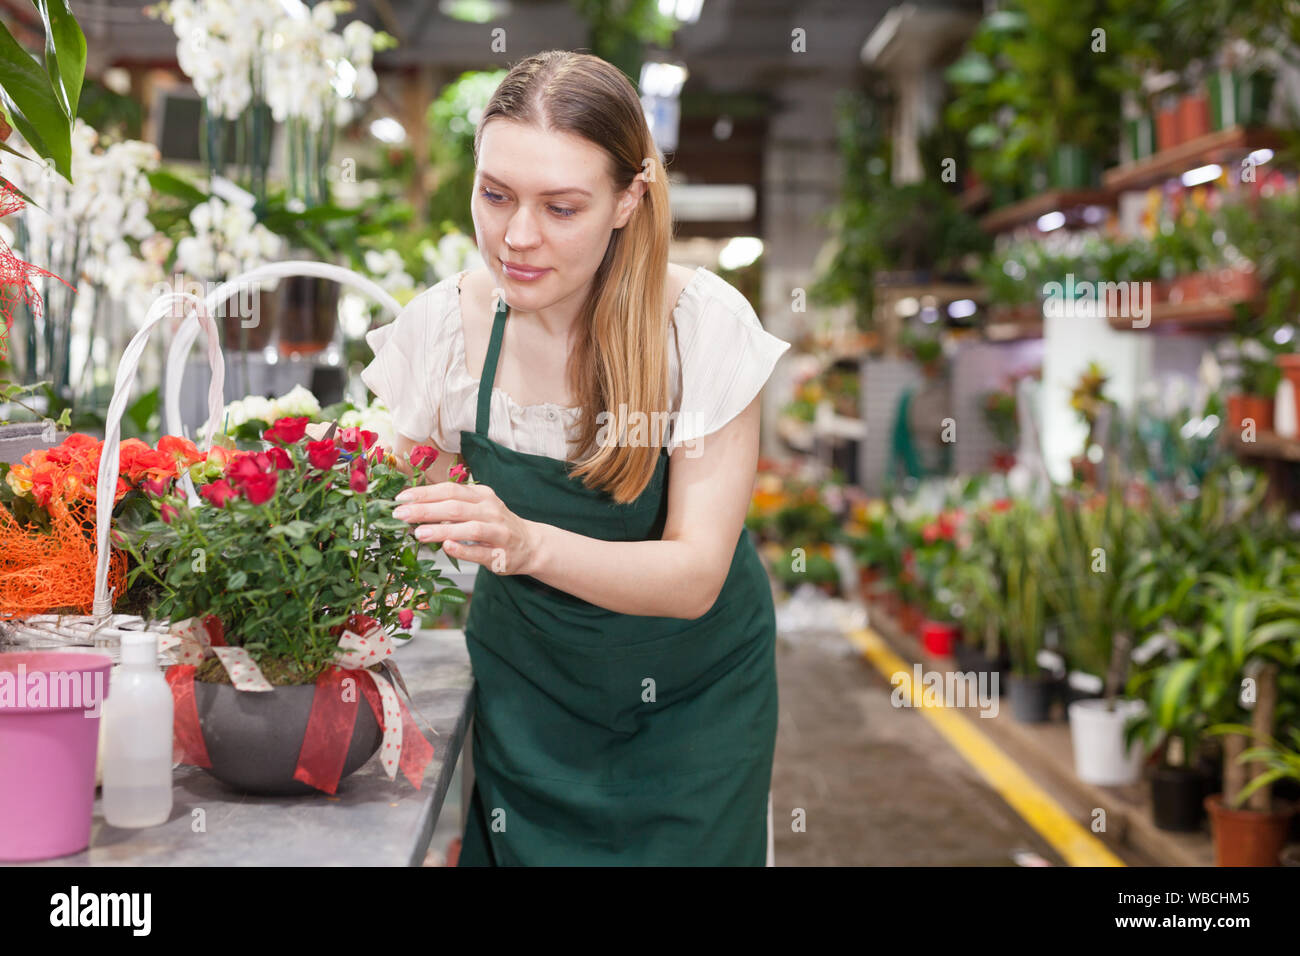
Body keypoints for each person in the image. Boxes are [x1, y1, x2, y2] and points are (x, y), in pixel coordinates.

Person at [361, 50, 790, 865]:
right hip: (533, 701)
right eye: (495, 196)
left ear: (630, 199)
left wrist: (526, 544)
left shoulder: (699, 330)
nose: (517, 238)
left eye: (562, 208)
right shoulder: (448, 331)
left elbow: (696, 575)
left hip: (695, 713)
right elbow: (381, 510)